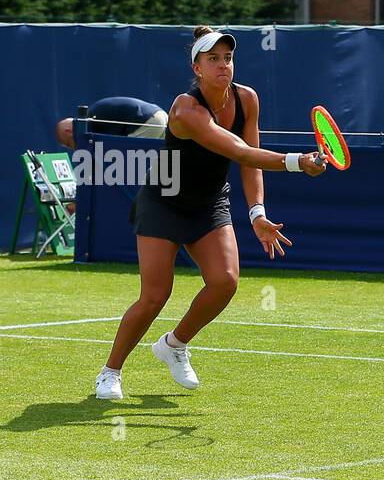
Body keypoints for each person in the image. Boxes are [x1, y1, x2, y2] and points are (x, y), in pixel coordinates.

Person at [94, 26, 327, 400]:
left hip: (209, 203)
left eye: (228, 58)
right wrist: (298, 161)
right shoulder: (185, 109)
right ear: (197, 68)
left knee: (225, 281)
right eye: (213, 59)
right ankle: (110, 372)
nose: (223, 66)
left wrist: (257, 213)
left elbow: (251, 159)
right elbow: (240, 152)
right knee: (155, 295)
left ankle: (174, 344)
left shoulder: (247, 99)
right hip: (163, 200)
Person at [56, 97, 167, 149]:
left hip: (147, 121)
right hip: (160, 115)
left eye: (69, 144)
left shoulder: (89, 124)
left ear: (69, 132)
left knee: (131, 166)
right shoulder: (93, 114)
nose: (74, 148)